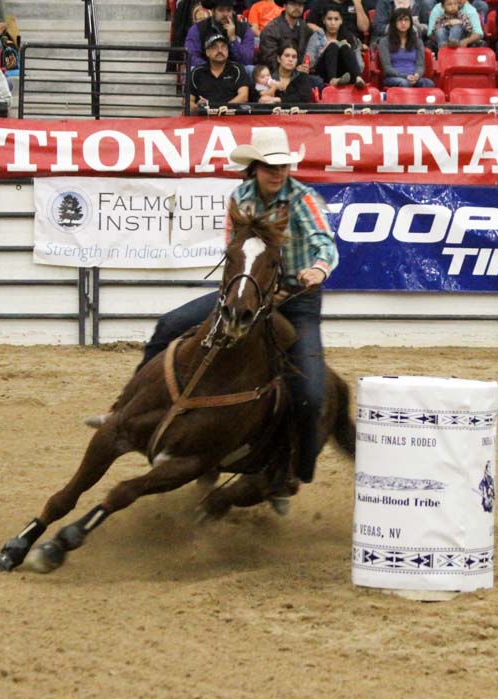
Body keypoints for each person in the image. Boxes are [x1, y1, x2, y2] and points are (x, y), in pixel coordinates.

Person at [139, 126, 338, 492]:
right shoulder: (241, 198)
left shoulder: (304, 199)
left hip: (297, 301)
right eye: (268, 167)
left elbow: (324, 241)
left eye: (281, 167)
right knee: (169, 325)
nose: (277, 173)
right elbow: (236, 251)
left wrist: (317, 269)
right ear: (254, 169)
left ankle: (297, 469)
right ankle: (132, 412)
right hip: (246, 295)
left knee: (310, 393)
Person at [187, 0, 256, 70]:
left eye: (229, 10)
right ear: (213, 11)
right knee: (192, 69)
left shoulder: (244, 29)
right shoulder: (198, 28)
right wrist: (214, 68)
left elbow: (247, 60)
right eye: (221, 10)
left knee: (250, 69)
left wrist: (233, 39)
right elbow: (191, 56)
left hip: (234, 71)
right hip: (206, 71)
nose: (225, 14)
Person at [305, 7, 365, 87]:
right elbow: (309, 64)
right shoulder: (316, 37)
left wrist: (350, 52)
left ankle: (358, 79)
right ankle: (333, 80)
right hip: (324, 73)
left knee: (344, 47)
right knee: (332, 46)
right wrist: (324, 50)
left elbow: (360, 66)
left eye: (336, 19)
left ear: (341, 21)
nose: (332, 23)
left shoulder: (349, 37)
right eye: (329, 19)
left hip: (345, 73)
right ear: (324, 21)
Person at [190, 30, 251, 107]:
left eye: (223, 47)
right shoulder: (197, 72)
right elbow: (187, 101)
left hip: (231, 116)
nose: (220, 50)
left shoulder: (237, 69)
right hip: (204, 117)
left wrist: (223, 109)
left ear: (228, 51)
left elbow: (243, 96)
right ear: (207, 52)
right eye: (215, 47)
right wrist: (198, 107)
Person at [378, 8, 434, 87]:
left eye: (406, 20)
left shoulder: (418, 42)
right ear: (394, 23)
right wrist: (405, 76)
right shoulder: (384, 42)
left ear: (411, 23)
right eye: (400, 20)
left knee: (428, 83)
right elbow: (387, 68)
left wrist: (417, 75)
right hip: (394, 77)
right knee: (404, 83)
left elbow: (420, 65)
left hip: (413, 77)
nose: (403, 23)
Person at [259, 0, 313, 74]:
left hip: (300, 72)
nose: (297, 7)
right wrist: (294, 71)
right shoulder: (271, 29)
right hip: (275, 74)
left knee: (318, 81)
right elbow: (270, 61)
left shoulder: (304, 27)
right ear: (284, 5)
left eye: (300, 4)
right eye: (293, 3)